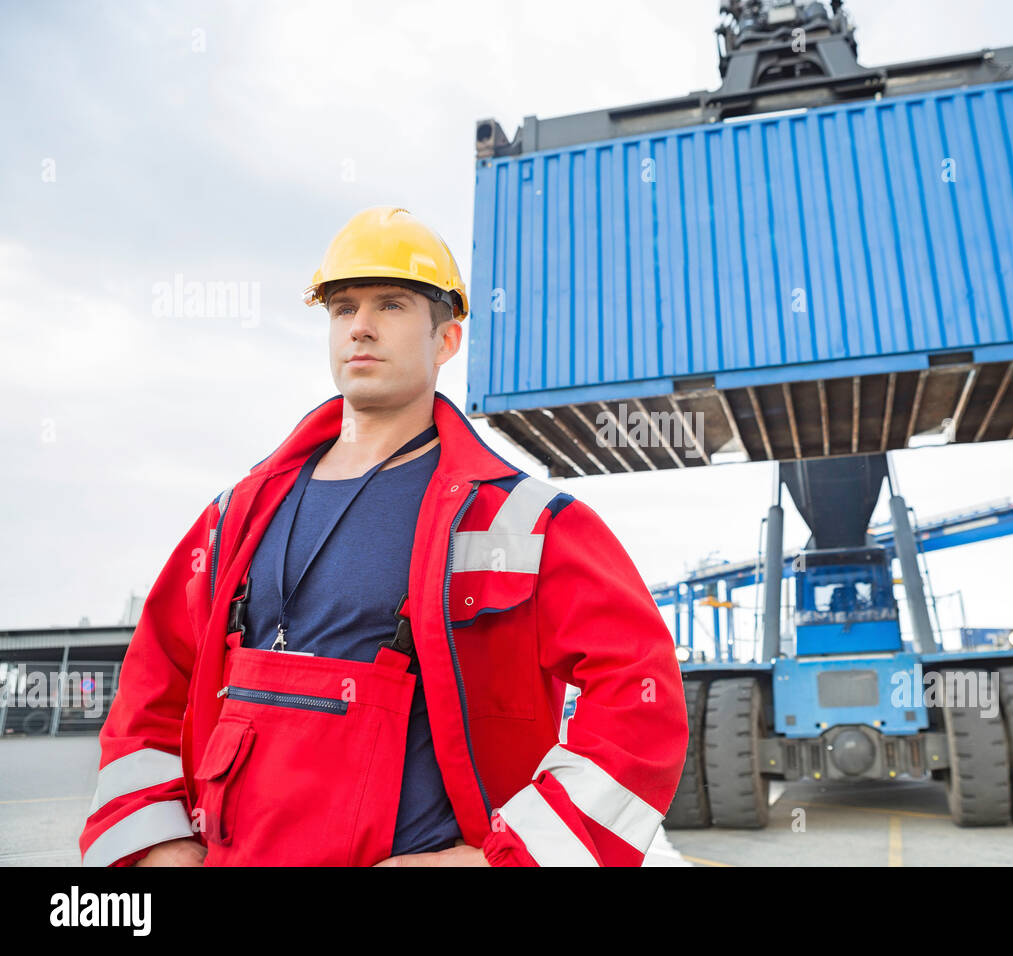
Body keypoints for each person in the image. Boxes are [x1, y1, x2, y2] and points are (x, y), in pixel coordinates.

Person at [79, 206, 689, 867]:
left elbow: (641, 695)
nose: (361, 327)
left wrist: (506, 859)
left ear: (447, 340)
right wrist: (159, 843)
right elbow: (154, 680)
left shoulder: (521, 519)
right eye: (343, 308)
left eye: (391, 305)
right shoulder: (239, 513)